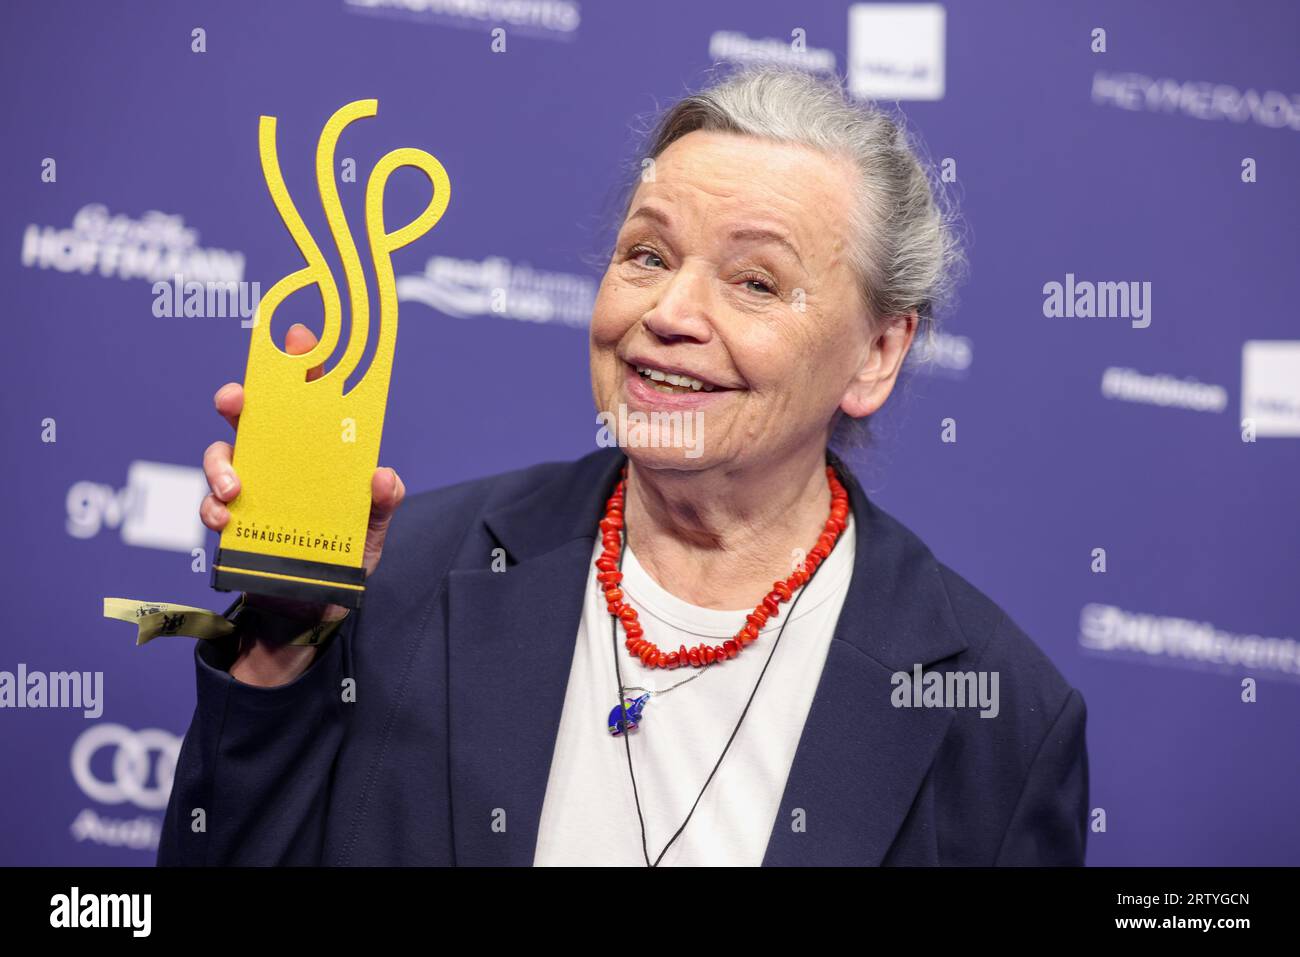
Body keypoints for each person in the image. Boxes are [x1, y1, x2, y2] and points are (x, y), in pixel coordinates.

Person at [162, 66, 1088, 867]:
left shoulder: (1000, 716)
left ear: (877, 354)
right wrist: (285, 641)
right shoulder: (402, 577)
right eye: (648, 255)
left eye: (755, 281)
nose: (670, 313)